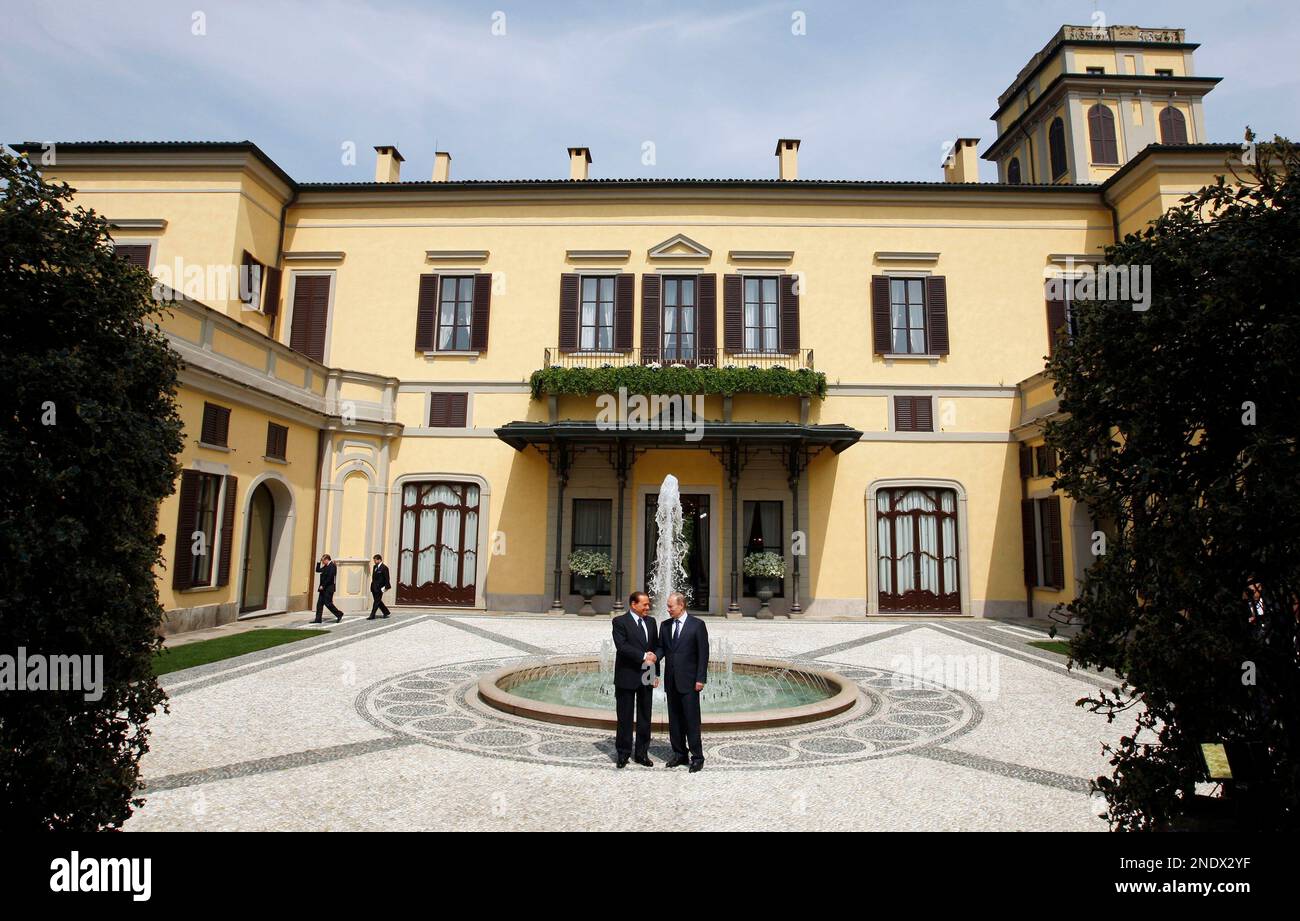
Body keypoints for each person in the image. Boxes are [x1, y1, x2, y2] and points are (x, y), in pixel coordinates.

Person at [656, 591, 708, 772]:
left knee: (691, 721)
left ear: (681, 605)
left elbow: (703, 654)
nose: (668, 609)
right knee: (675, 721)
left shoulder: (697, 625)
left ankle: (697, 757)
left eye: (671, 606)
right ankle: (679, 754)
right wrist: (653, 657)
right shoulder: (664, 625)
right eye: (667, 606)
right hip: (671, 682)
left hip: (690, 682)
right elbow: (661, 648)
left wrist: (701, 678)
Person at [611, 591, 658, 768]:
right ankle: (623, 753)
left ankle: (641, 753)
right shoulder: (620, 622)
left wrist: (655, 674)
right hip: (626, 675)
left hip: (646, 675)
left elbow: (655, 648)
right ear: (633, 604)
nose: (648, 607)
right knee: (625, 717)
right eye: (644, 604)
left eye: (648, 604)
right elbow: (622, 647)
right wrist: (643, 656)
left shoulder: (651, 622)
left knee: (645, 715)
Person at [313, 554, 344, 624]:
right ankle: (318, 619)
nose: (322, 562)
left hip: (329, 588)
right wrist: (318, 562)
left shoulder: (332, 566)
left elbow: (330, 578)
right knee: (319, 604)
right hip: (323, 589)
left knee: (328, 603)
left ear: (327, 559)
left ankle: (339, 614)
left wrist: (323, 585)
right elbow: (318, 570)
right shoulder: (326, 566)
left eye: (323, 560)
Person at [368, 554, 391, 620]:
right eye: (374, 560)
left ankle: (372, 615)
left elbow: (387, 578)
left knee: (376, 602)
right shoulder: (374, 567)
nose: (374, 561)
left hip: (380, 588)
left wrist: (386, 587)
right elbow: (373, 578)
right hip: (374, 587)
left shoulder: (384, 568)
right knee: (377, 601)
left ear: (379, 560)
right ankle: (386, 612)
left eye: (375, 560)